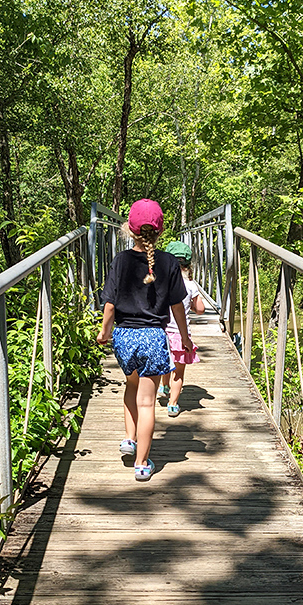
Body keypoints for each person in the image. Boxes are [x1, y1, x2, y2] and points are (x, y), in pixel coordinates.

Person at [97, 199, 193, 482]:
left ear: (130, 229)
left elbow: (111, 304)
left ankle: (130, 438)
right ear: (160, 230)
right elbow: (177, 307)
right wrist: (185, 338)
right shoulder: (168, 262)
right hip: (153, 337)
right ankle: (141, 463)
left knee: (131, 386)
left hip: (125, 336)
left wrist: (104, 332)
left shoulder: (121, 260)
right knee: (148, 402)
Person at [158, 240, 205, 417]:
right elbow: (200, 309)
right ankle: (172, 404)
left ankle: (163, 385)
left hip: (161, 333)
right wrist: (191, 306)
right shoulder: (191, 285)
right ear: (188, 265)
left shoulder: (160, 283)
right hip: (179, 335)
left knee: (164, 363)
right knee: (178, 371)